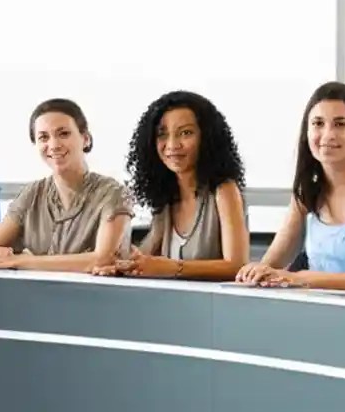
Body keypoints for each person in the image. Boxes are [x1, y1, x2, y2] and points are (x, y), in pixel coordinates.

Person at [234, 81, 345, 290]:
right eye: (318, 123)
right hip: (316, 313)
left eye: (340, 124)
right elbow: (270, 265)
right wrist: (255, 271)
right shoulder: (306, 192)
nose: (328, 135)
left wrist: (305, 278)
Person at [92, 91, 250, 280]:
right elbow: (147, 257)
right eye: (162, 135)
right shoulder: (166, 197)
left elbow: (236, 265)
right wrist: (123, 267)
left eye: (185, 133)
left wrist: (173, 267)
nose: (172, 144)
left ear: (206, 138)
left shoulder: (224, 190)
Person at [0, 99, 132, 271]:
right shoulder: (31, 194)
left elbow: (102, 259)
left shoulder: (113, 193)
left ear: (86, 139)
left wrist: (19, 260)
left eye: (64, 134)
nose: (53, 145)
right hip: (36, 295)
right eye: (44, 137)